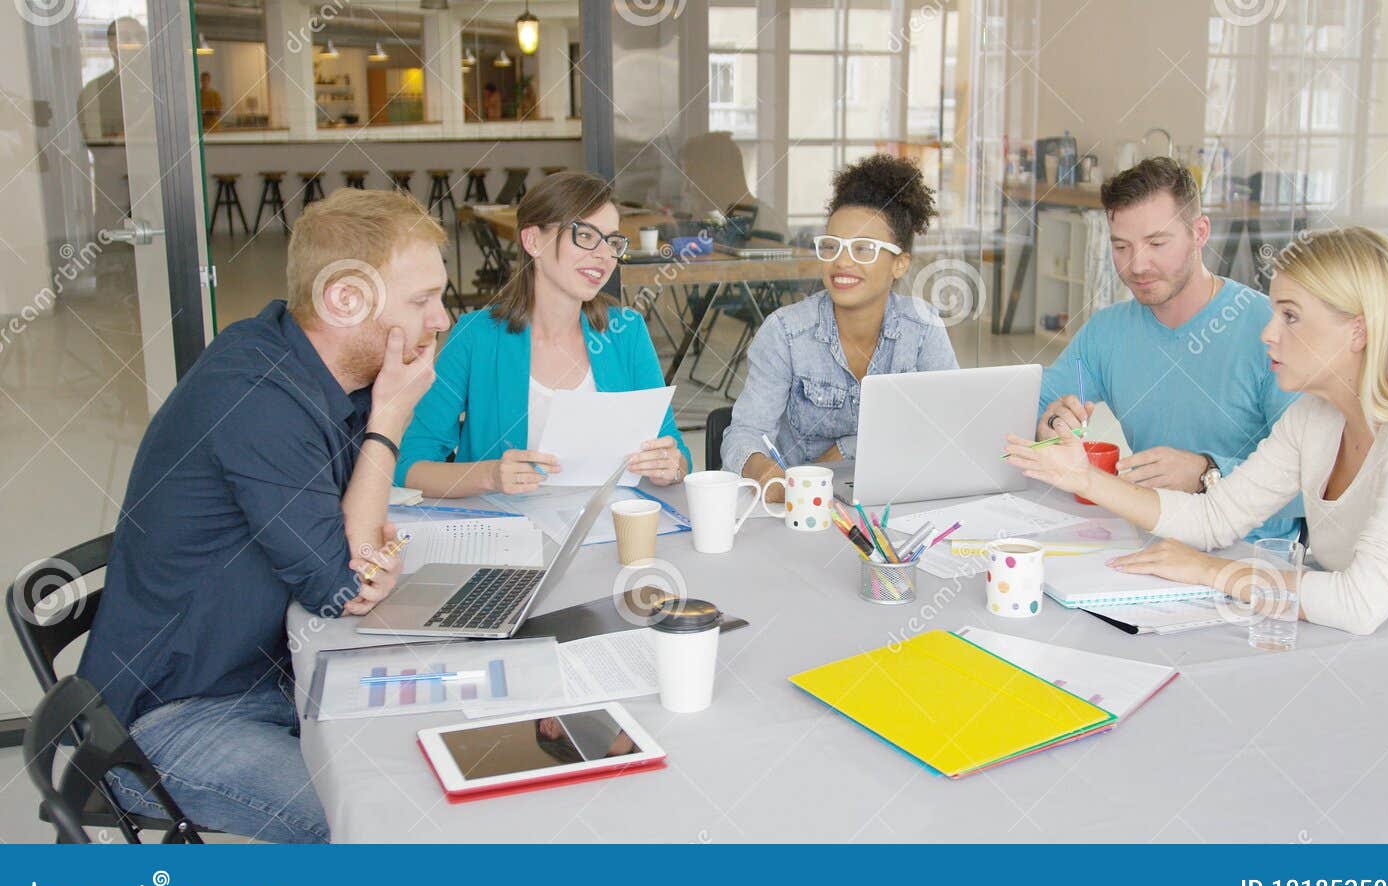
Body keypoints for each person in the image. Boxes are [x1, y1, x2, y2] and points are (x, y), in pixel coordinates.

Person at [78, 189, 451, 842]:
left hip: (270, 676)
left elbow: (365, 549)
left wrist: (368, 554)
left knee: (445, 737)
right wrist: (391, 418)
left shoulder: (313, 370)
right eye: (422, 300)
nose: (441, 319)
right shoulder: (255, 398)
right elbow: (350, 585)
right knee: (390, 823)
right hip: (173, 721)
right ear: (344, 301)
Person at [1005, 227, 1388, 639]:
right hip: (1382, 649)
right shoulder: (1316, 418)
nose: (1268, 333)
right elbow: (1216, 516)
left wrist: (1211, 572)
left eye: (1291, 317)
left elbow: (1361, 603)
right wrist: (1084, 478)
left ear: (1359, 329)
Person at [1037, 157, 1301, 541]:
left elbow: (1319, 486)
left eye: (1157, 243)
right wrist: (1050, 423)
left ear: (1200, 232)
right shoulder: (1107, 333)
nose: (1137, 265)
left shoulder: (1270, 330)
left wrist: (1207, 473)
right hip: (1155, 539)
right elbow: (1039, 409)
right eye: (1122, 247)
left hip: (1252, 557)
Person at [398, 171, 690, 496]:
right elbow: (409, 466)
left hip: (608, 531)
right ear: (533, 241)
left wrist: (670, 465)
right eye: (586, 236)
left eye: (612, 241)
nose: (605, 255)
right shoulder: (476, 337)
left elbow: (676, 453)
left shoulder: (626, 333)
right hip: (507, 537)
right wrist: (490, 476)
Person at [722, 153, 958, 500]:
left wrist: (844, 450)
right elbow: (743, 435)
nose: (842, 261)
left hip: (898, 502)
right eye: (832, 246)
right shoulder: (786, 332)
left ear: (900, 264)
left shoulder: (922, 329)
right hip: (801, 510)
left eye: (864, 249)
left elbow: (949, 430)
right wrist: (771, 476)